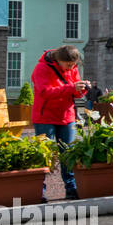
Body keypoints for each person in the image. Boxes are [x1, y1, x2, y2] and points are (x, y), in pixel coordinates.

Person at [31, 45, 89, 201]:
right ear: (59, 60)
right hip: (45, 117)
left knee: (68, 154)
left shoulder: (72, 67)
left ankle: (71, 188)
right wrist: (71, 87)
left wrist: (82, 88)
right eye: (68, 65)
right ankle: (40, 191)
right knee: (45, 154)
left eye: (73, 65)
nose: (71, 68)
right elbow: (44, 92)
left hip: (66, 116)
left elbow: (75, 93)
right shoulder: (41, 68)